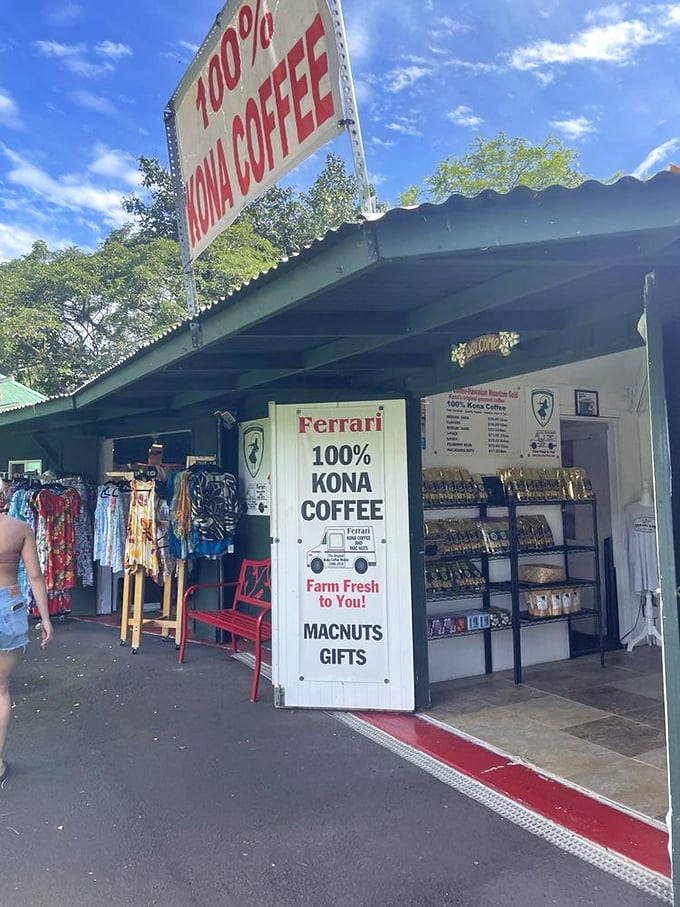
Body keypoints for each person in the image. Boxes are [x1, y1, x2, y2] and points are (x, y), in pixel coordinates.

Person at [0, 510, 53, 784]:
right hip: (8, 607)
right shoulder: (19, 528)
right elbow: (35, 577)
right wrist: (45, 619)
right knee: (1, 689)